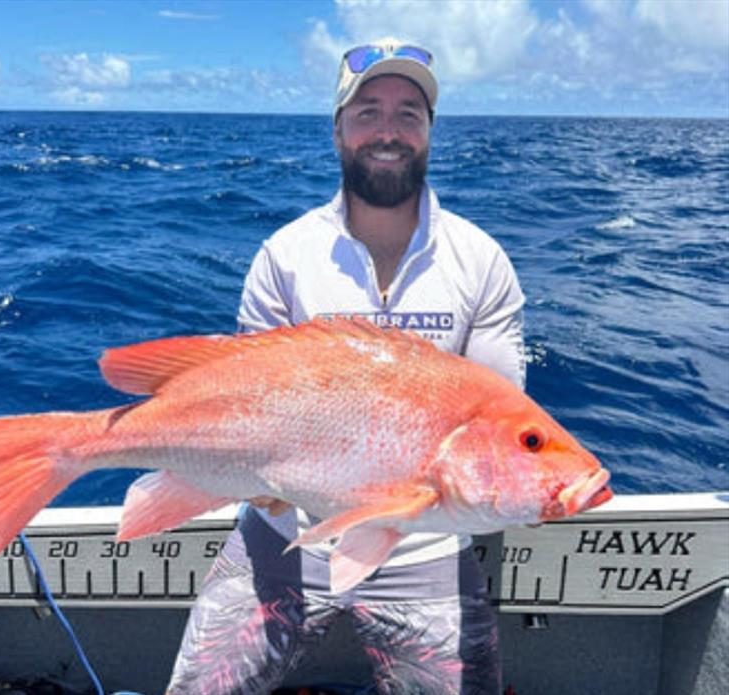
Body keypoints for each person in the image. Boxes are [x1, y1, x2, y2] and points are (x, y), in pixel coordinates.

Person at [166, 37, 525, 695]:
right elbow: (245, 398)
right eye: (367, 112)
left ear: (429, 132)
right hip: (282, 540)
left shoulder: (482, 262)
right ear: (337, 130)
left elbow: (501, 424)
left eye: (408, 114)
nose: (388, 131)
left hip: (427, 549)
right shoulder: (285, 255)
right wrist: (259, 479)